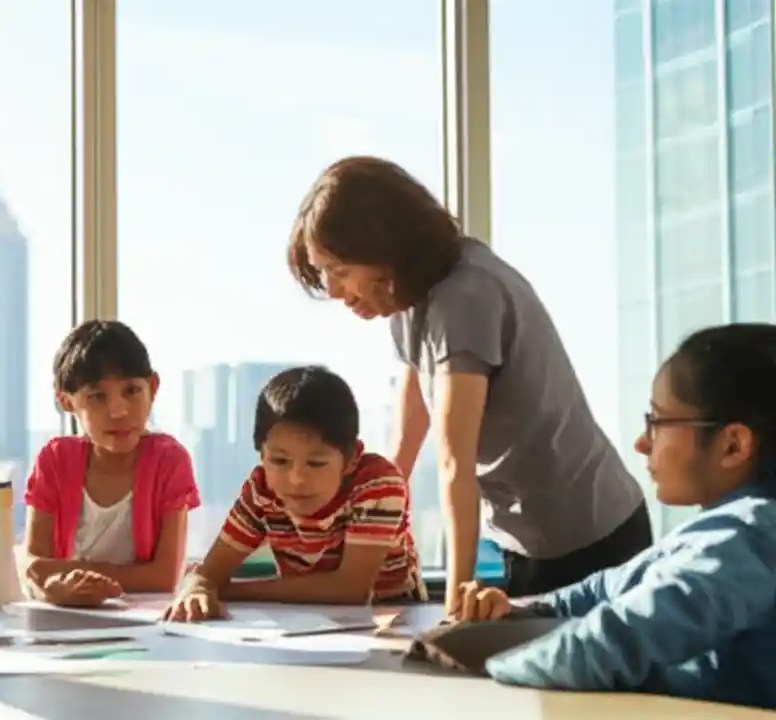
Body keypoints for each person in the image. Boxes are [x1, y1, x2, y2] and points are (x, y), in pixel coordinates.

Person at [287, 156, 650, 610]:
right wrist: (375, 514)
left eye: (340, 272)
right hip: (524, 543)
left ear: (382, 244)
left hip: (594, 540)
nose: (336, 293)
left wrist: (454, 605)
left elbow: (455, 461)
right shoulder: (408, 298)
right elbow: (412, 417)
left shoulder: (464, 296)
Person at [453, 324, 776, 711]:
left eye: (657, 421)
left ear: (733, 445)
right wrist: (530, 611)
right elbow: (606, 588)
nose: (642, 442)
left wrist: (484, 669)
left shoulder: (749, 536)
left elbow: (620, 639)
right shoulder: (725, 530)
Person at [164, 366, 423, 622]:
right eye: (279, 461)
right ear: (261, 455)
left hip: (394, 618)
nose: (296, 479)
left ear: (352, 458)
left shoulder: (377, 483)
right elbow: (206, 572)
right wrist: (196, 589)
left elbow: (351, 590)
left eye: (316, 463)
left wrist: (229, 590)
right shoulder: (262, 491)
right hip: (301, 618)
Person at [23, 320, 200, 607]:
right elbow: (35, 566)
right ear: (67, 402)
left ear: (153, 387)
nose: (118, 411)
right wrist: (55, 589)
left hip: (146, 620)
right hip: (67, 615)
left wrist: (75, 576)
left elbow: (164, 576)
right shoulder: (54, 460)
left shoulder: (169, 460)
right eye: (97, 397)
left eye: (131, 391)